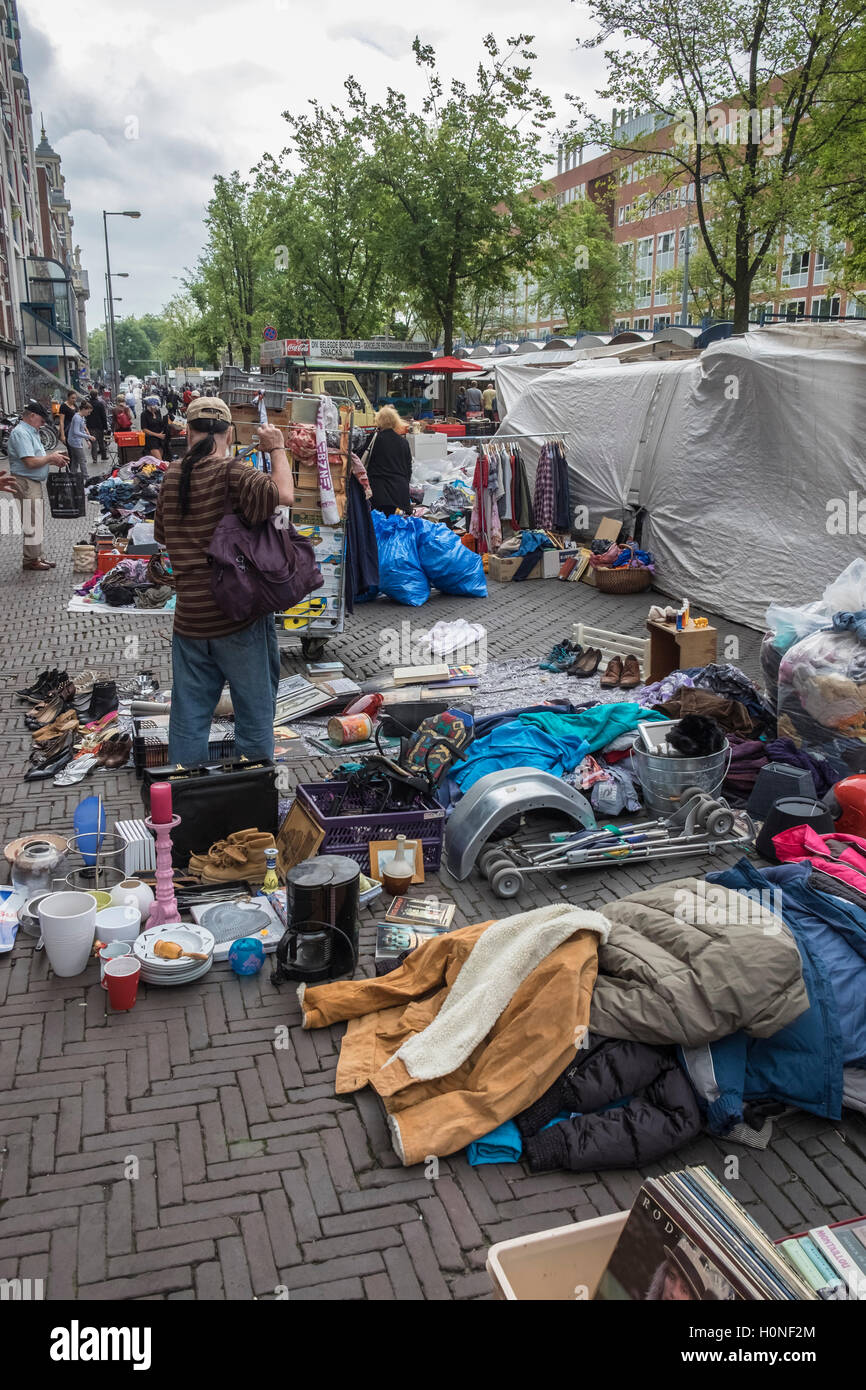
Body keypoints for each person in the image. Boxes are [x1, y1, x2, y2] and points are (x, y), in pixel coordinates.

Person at [153, 396, 294, 766]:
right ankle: (250, 793)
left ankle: (187, 799)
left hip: (191, 621)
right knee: (254, 712)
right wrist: (277, 448)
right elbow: (285, 495)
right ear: (229, 433)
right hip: (238, 618)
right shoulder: (232, 472)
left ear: (188, 432)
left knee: (189, 718)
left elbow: (164, 537)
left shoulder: (172, 475)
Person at [5, 400, 68, 571]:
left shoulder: (31, 431)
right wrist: (50, 458)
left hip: (31, 481)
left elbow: (36, 458)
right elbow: (30, 462)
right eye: (41, 420)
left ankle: (36, 556)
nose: (43, 424)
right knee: (31, 521)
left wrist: (52, 458)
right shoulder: (21, 433)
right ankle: (31, 560)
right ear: (32, 416)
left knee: (36, 520)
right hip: (25, 481)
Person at [364, 405, 412, 516]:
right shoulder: (403, 442)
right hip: (400, 493)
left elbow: (361, 461)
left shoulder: (374, 438)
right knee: (394, 526)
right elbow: (408, 469)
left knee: (378, 525)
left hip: (378, 492)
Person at [66, 399, 94, 474]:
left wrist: (87, 440)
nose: (89, 414)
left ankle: (73, 476)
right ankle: (85, 477)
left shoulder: (80, 417)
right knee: (82, 460)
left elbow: (81, 430)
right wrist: (89, 437)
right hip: (74, 442)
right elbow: (76, 432)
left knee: (75, 461)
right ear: (84, 409)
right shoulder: (78, 418)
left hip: (73, 441)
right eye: (88, 412)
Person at [140, 394, 168, 460]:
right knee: (160, 461)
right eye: (152, 407)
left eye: (155, 407)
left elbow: (160, 423)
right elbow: (144, 429)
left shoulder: (158, 412)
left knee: (158, 461)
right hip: (151, 439)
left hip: (160, 439)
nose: (154, 408)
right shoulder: (144, 414)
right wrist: (157, 435)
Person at [87, 390, 109, 462]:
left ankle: (94, 459)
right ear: (96, 395)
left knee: (94, 443)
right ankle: (104, 456)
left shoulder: (88, 404)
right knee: (101, 442)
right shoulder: (100, 404)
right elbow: (103, 416)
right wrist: (105, 427)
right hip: (99, 425)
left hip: (90, 425)